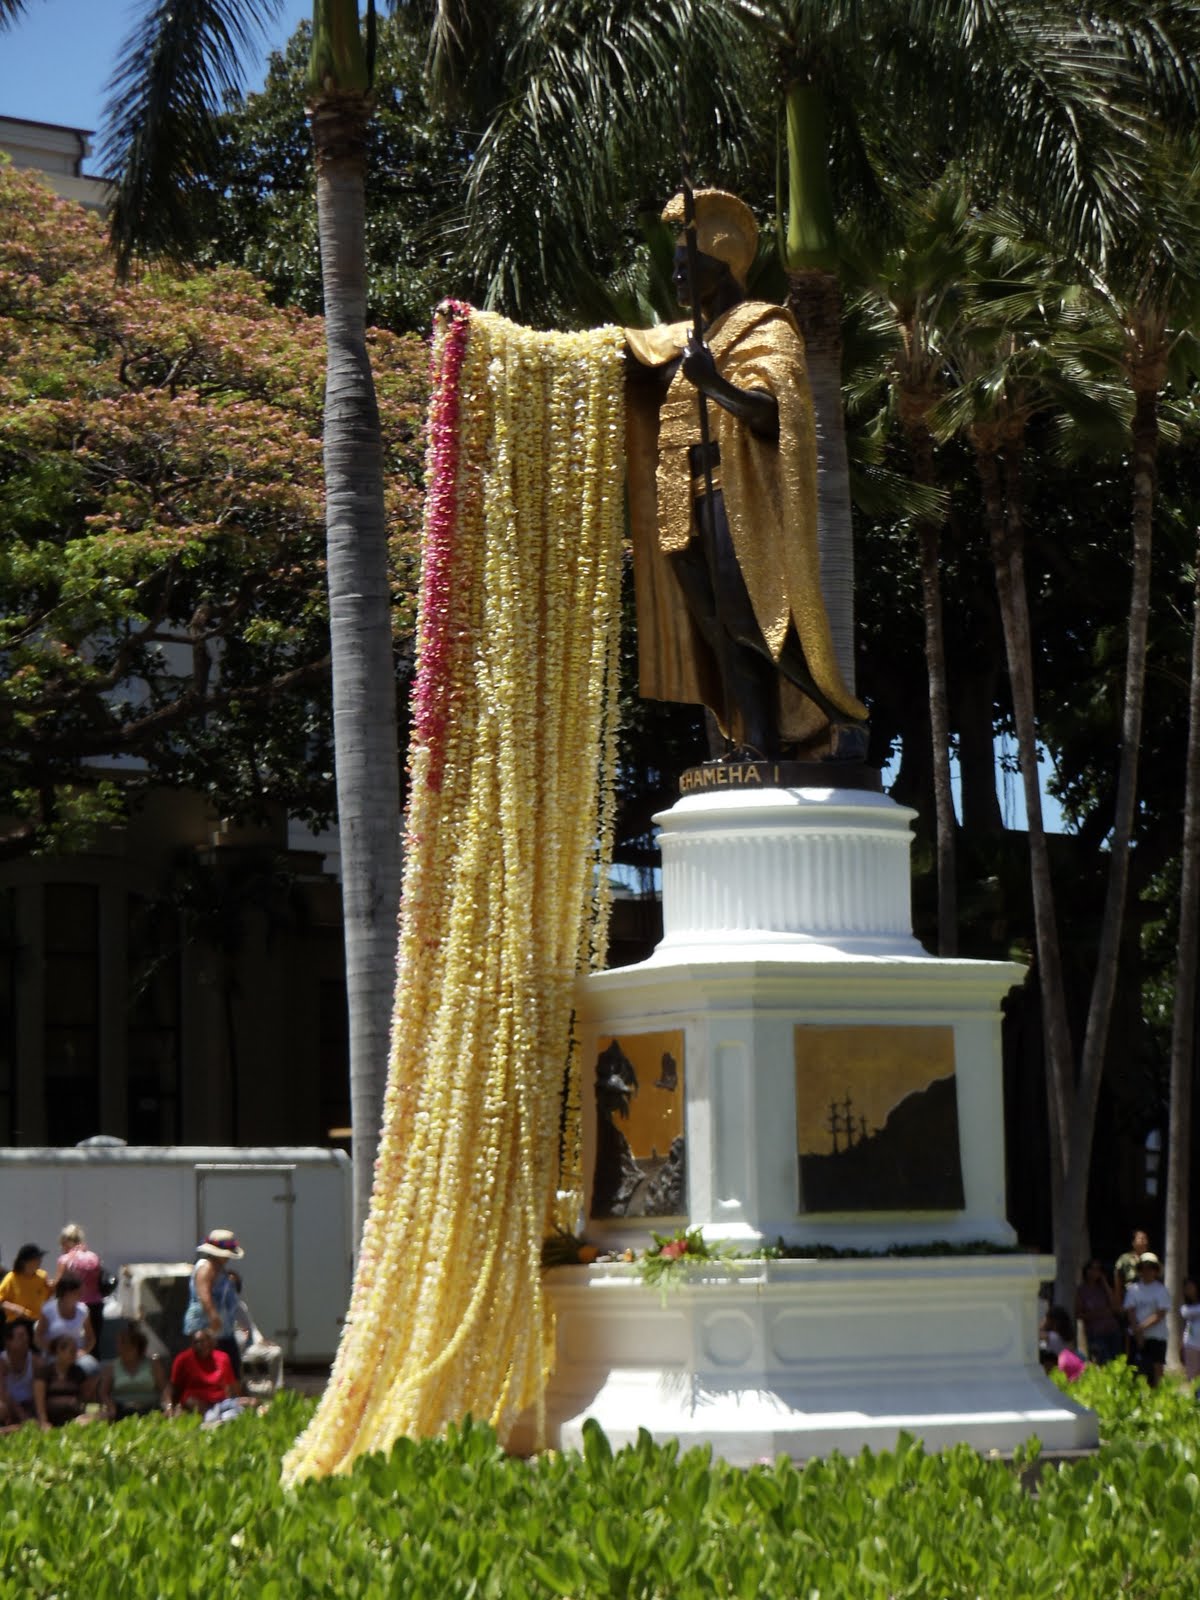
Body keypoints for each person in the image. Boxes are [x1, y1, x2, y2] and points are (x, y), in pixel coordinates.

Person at [624, 187, 867, 761]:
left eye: (686, 265)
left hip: (733, 492)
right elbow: (619, 354)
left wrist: (714, 385)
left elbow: (771, 415)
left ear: (721, 263)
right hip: (680, 500)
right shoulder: (685, 340)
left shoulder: (766, 326)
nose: (676, 277)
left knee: (754, 617)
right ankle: (759, 743)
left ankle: (839, 720)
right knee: (717, 627)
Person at [183, 1228, 244, 1378]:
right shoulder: (206, 1267)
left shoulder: (220, 1269)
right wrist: (213, 1316)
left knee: (230, 1365)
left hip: (222, 1330)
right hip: (207, 1329)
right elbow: (204, 1294)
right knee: (210, 1367)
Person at [53, 1224, 106, 1353]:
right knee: (93, 1345)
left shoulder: (65, 1259)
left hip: (75, 1309)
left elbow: (58, 1285)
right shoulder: (94, 1257)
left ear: (66, 1242)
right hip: (96, 1305)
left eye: (62, 1244)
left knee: (71, 1346)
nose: (61, 1248)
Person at [100, 1322, 166, 1420]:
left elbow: (164, 1388)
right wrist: (111, 1407)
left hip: (150, 1408)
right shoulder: (112, 1367)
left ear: (136, 1347)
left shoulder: (153, 1364)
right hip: (121, 1409)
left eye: (124, 1344)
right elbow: (104, 1393)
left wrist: (168, 1405)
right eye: (119, 1344)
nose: (120, 1347)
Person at [166, 1326, 238, 1416]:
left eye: (204, 1341)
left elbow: (231, 1386)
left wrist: (233, 1400)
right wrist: (169, 1406)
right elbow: (173, 1387)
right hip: (194, 1403)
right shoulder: (182, 1359)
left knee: (248, 1402)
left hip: (219, 1402)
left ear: (211, 1342)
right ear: (192, 1344)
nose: (200, 1345)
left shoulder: (223, 1358)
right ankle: (211, 1417)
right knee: (191, 1402)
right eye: (196, 1342)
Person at [1124, 1250, 1171, 1386]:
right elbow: (1130, 1311)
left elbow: (1160, 1313)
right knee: (1135, 1368)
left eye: (1150, 1268)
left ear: (1156, 1271)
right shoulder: (1133, 1289)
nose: (1147, 1271)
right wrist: (1137, 1333)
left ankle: (1157, 1394)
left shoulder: (1161, 1290)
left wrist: (1141, 1328)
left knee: (1157, 1368)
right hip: (1136, 1336)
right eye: (1144, 1268)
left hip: (1156, 1336)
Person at [35, 1273, 98, 1375]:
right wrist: (55, 1352)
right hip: (54, 1355)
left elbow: (91, 1338)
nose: (81, 1295)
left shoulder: (83, 1310)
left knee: (93, 1369)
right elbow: (38, 1337)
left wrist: (83, 1351)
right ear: (66, 1293)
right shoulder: (48, 1310)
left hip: (76, 1354)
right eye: (77, 1292)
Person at [33, 1334, 97, 1430]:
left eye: (75, 1351)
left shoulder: (78, 1372)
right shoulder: (44, 1372)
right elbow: (39, 1402)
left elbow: (84, 1398)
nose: (75, 1354)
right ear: (59, 1351)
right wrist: (44, 1421)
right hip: (51, 1419)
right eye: (71, 1351)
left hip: (75, 1419)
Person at [1074, 1257, 1123, 1364]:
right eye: (1092, 1268)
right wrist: (1099, 1314)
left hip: (1112, 1331)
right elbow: (1079, 1314)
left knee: (1117, 1362)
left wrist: (1105, 1283)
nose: (1094, 1272)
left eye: (1098, 1269)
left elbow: (1115, 1307)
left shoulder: (1104, 1288)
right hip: (1096, 1333)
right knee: (1103, 1362)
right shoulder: (1081, 1291)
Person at [0, 1244, 53, 1324]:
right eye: (36, 1258)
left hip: (37, 1321)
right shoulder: (11, 1278)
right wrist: (14, 1308)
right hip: (17, 1321)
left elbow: (47, 1297)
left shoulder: (42, 1276)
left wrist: (53, 1288)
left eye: (40, 1258)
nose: (40, 1261)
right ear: (24, 1262)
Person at [0, 1319, 36, 1427]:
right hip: (9, 1407)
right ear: (8, 1342)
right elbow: (3, 1394)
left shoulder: (36, 1361)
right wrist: (22, 1415)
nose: (26, 1339)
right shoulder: (1, 1362)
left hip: (29, 1405)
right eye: (21, 1336)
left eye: (26, 1335)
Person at [1040, 1304, 1088, 1382]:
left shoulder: (1051, 1336)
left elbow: (1035, 1334)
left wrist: (1042, 1325)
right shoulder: (1066, 1334)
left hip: (1069, 1364)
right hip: (1078, 1359)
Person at [1114, 1228, 1151, 1298]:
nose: (1145, 1242)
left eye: (1146, 1239)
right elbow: (1118, 1277)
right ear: (1133, 1243)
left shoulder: (1151, 1258)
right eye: (1142, 1239)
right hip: (1130, 1296)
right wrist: (1117, 1296)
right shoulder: (1125, 1258)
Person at [1180, 1278, 1200, 1382]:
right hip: (1191, 1343)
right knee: (1192, 1375)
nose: (1189, 1290)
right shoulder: (1185, 1308)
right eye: (1186, 1288)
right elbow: (1184, 1326)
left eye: (1191, 1287)